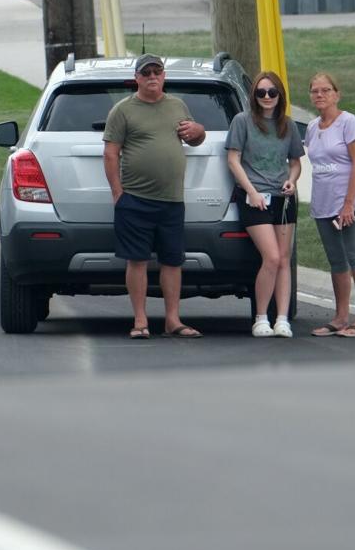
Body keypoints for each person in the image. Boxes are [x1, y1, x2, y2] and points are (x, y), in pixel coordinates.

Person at [103, 53, 208, 339]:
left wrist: (199, 131)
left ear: (163, 76)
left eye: (157, 72)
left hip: (172, 200)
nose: (152, 77)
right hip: (135, 199)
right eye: (146, 72)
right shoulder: (123, 111)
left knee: (172, 261)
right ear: (136, 78)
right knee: (136, 261)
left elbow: (195, 138)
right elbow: (111, 153)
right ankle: (140, 320)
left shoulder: (177, 105)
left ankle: (173, 320)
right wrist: (118, 194)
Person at [226, 71, 303, 338]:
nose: (267, 97)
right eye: (261, 92)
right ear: (254, 96)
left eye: (272, 92)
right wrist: (251, 191)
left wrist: (292, 181)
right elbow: (233, 160)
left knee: (283, 259)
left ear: (280, 95)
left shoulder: (288, 125)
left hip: (283, 199)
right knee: (270, 257)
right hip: (254, 199)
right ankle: (261, 318)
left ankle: (282, 319)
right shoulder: (242, 122)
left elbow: (295, 163)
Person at [304, 71, 355, 338]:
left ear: (337, 94)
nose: (320, 95)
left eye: (325, 90)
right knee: (336, 261)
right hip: (323, 203)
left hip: (348, 202)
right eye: (315, 91)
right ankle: (340, 317)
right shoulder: (313, 127)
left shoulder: (349, 123)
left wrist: (348, 204)